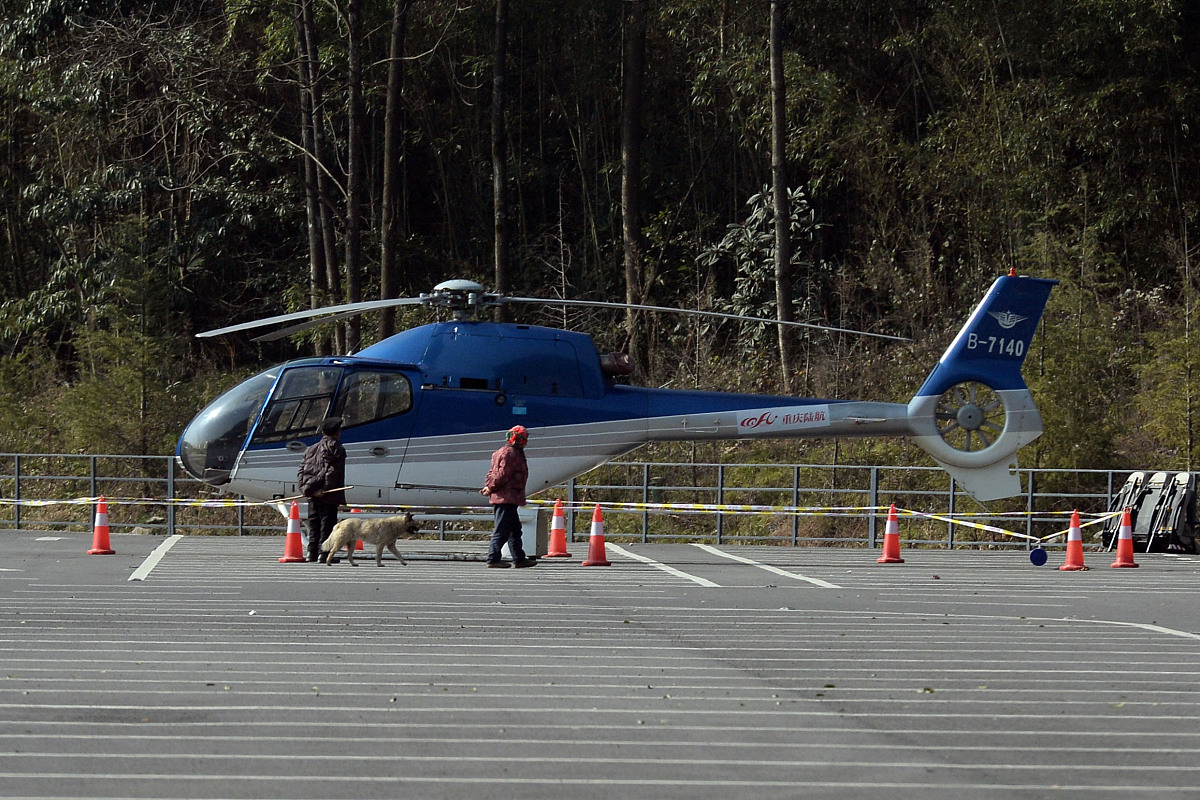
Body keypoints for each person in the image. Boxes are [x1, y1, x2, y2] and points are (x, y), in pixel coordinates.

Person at [481, 425, 537, 568]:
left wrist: (488, 486)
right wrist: (491, 487)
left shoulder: (501, 452)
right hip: (506, 497)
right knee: (502, 530)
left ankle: (519, 558)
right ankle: (493, 559)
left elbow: (491, 473)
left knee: (514, 530)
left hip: (509, 497)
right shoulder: (511, 454)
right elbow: (502, 475)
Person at [297, 416, 347, 563]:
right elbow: (333, 472)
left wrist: (307, 491)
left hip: (312, 494)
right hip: (329, 495)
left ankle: (311, 553)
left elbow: (301, 471)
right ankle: (324, 554)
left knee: (314, 524)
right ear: (337, 432)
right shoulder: (337, 449)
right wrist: (325, 489)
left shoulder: (310, 449)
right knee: (327, 524)